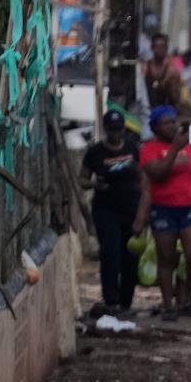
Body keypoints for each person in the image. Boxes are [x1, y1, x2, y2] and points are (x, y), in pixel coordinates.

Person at [134, 106, 191, 319]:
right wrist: (173, 149)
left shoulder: (188, 148)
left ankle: (188, 299)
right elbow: (158, 174)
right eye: (166, 123)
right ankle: (168, 304)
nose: (172, 126)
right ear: (155, 128)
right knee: (167, 258)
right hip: (163, 209)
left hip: (190, 208)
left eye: (173, 121)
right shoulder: (149, 149)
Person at [81, 110, 142, 318]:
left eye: (119, 129)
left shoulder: (132, 148)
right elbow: (82, 179)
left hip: (130, 208)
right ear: (105, 129)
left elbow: (141, 176)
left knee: (130, 256)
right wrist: (94, 184)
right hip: (106, 209)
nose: (116, 133)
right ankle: (111, 299)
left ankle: (126, 301)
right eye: (112, 129)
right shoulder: (95, 152)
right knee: (110, 253)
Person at [143, 32, 188, 113]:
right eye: (157, 46)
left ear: (167, 48)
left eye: (163, 47)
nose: (160, 50)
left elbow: (176, 97)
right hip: (147, 109)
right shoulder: (145, 67)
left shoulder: (171, 70)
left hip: (166, 110)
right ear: (152, 48)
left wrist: (169, 85)